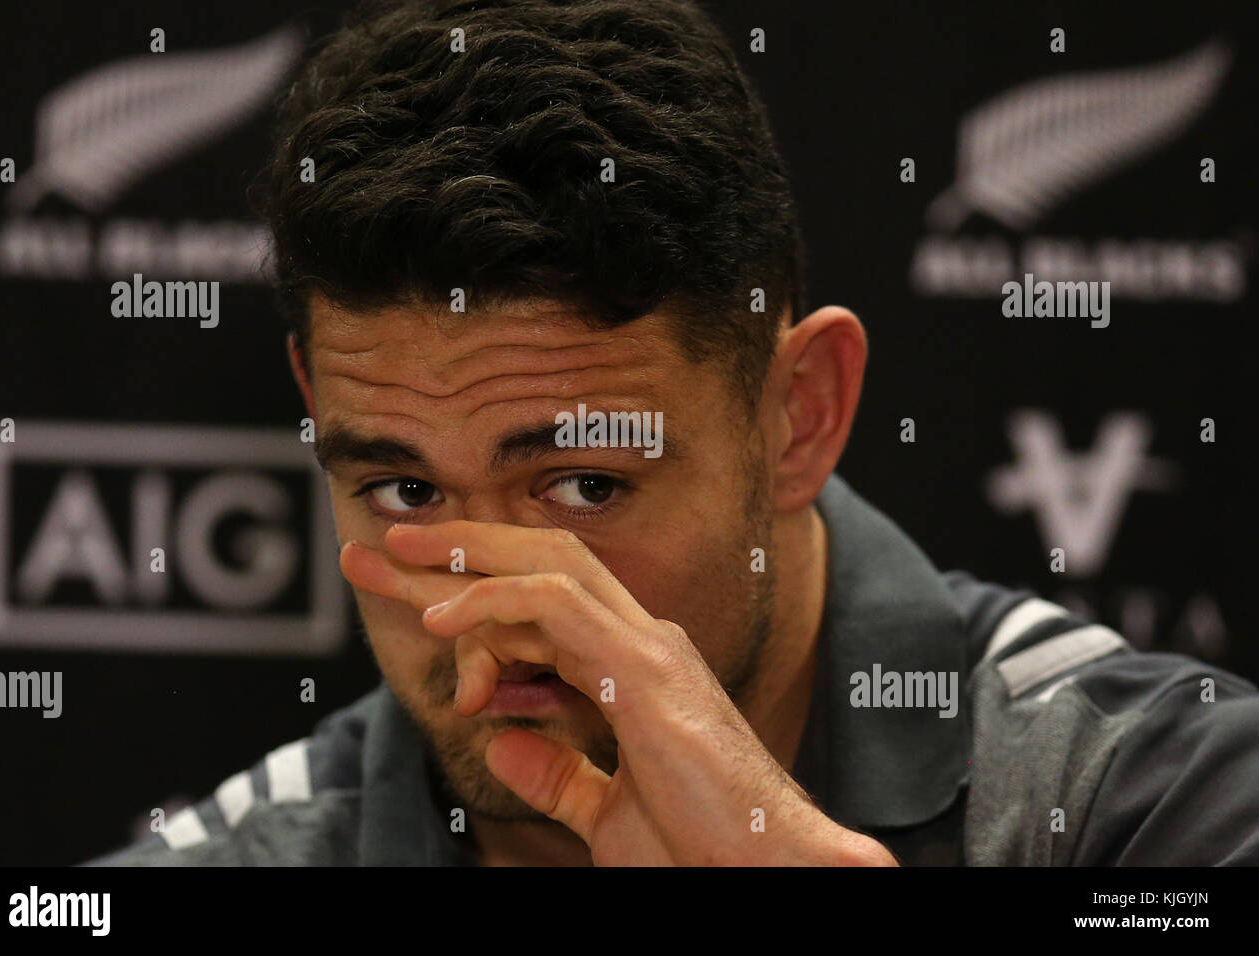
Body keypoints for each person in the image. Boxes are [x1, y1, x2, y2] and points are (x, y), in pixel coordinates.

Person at [90, 0, 1259, 866]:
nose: (488, 617)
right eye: (403, 492)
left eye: (586, 484)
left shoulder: (1160, 801)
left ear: (797, 412)